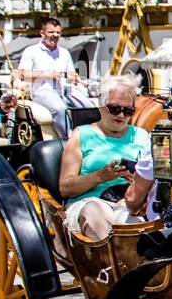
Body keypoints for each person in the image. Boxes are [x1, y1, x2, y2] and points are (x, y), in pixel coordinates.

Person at [58, 74, 153, 241]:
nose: (122, 115)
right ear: (101, 105)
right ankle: (112, 265)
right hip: (89, 202)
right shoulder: (82, 134)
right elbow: (65, 188)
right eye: (115, 108)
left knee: (135, 224)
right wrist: (100, 177)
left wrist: (137, 179)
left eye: (128, 111)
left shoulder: (141, 136)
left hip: (127, 203)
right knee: (96, 213)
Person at [18, 16, 79, 138]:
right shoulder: (31, 51)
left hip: (65, 91)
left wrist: (73, 77)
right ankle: (68, 139)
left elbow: (71, 73)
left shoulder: (64, 52)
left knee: (89, 106)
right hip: (43, 92)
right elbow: (23, 74)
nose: (55, 35)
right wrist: (46, 74)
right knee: (61, 109)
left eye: (58, 32)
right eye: (51, 32)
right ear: (42, 33)